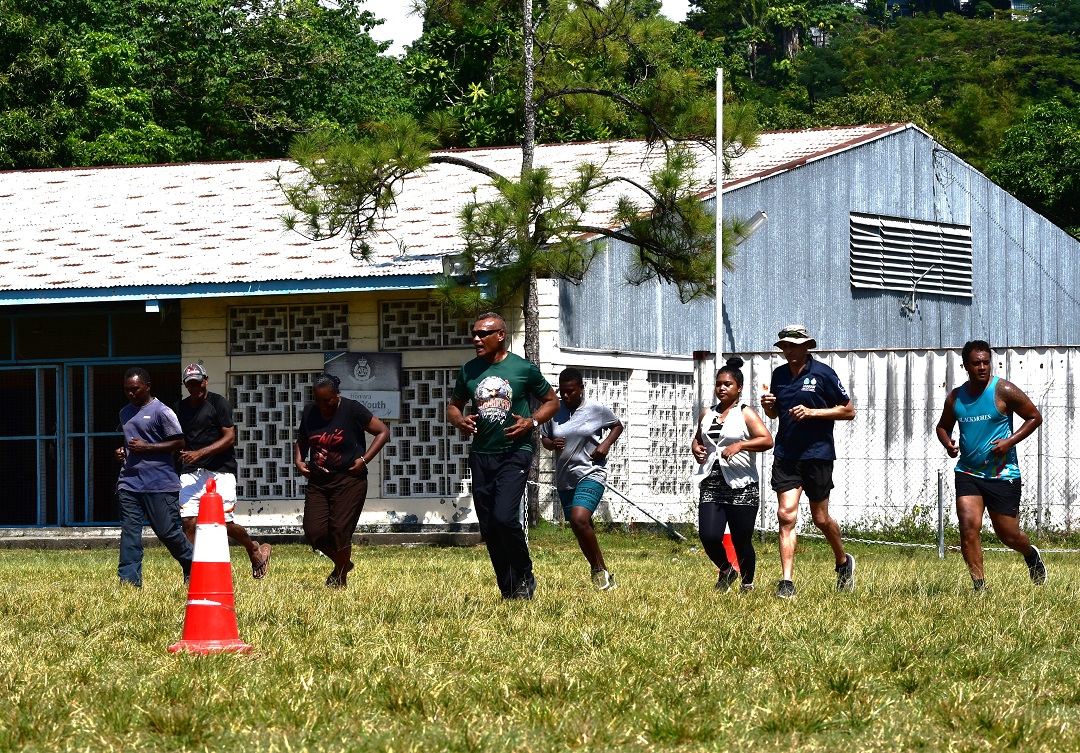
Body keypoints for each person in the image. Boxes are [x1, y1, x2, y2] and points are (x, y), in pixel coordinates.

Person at [448, 312, 560, 600]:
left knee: (504, 518)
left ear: (500, 335)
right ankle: (510, 588)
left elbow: (552, 402)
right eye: (474, 334)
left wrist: (532, 422)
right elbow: (453, 406)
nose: (476, 339)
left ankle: (524, 571)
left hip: (515, 452)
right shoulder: (469, 370)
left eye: (483, 333)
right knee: (488, 527)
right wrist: (459, 420)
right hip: (481, 455)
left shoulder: (523, 369)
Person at [935, 340, 1047, 592]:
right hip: (968, 472)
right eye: (976, 363)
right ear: (965, 365)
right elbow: (942, 426)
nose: (982, 367)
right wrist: (948, 444)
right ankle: (980, 587)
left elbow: (1034, 417)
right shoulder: (956, 397)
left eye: (986, 362)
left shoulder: (1003, 390)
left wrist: (1009, 442)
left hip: (1002, 474)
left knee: (1008, 535)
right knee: (967, 527)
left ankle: (1030, 554)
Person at [761, 325, 856, 598]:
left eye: (794, 345)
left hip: (818, 454)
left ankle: (842, 561)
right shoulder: (778, 375)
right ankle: (787, 583)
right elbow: (775, 415)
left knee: (820, 518)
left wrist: (813, 412)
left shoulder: (823, 373)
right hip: (787, 454)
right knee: (785, 515)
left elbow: (848, 411)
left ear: (806, 346)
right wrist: (769, 405)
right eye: (784, 347)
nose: (789, 351)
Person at [174, 363, 271, 579]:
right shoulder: (179, 409)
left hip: (221, 470)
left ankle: (252, 547)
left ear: (205, 381)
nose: (195, 387)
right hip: (191, 471)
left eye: (198, 382)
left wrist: (200, 453)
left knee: (224, 523)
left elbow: (229, 437)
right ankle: (194, 571)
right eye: (190, 383)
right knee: (188, 521)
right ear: (186, 385)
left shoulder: (218, 403)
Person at [294, 374, 390, 589]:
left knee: (339, 531)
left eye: (327, 401)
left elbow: (383, 432)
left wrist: (364, 460)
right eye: (318, 401)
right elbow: (302, 437)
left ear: (337, 395)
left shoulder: (352, 409)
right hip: (318, 481)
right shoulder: (310, 411)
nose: (322, 406)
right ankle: (344, 563)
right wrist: (298, 460)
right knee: (314, 532)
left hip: (349, 480)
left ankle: (340, 578)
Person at [691, 357, 774, 593]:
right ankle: (727, 570)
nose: (722, 388)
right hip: (712, 481)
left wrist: (740, 445)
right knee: (708, 535)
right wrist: (695, 447)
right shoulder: (707, 413)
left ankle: (747, 584)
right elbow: (699, 439)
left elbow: (767, 440)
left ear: (738, 388)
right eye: (719, 384)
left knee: (741, 540)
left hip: (742, 484)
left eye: (727, 384)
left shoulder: (745, 412)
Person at [540, 368, 624, 591]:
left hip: (591, 472)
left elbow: (617, 425)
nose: (566, 396)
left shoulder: (595, 409)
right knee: (580, 526)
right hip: (565, 477)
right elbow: (545, 439)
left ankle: (599, 572)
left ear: (580, 388)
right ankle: (601, 570)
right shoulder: (553, 410)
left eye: (570, 391)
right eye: (562, 391)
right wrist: (551, 444)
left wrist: (605, 445)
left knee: (579, 519)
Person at [114, 367, 193, 587]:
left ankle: (194, 564)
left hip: (159, 483)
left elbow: (179, 443)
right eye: (127, 390)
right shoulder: (124, 412)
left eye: (135, 389)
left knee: (166, 531)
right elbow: (130, 441)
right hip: (129, 482)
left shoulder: (162, 411)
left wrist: (148, 447)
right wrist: (122, 452)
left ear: (147, 386)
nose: (131, 394)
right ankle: (129, 580)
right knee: (130, 531)